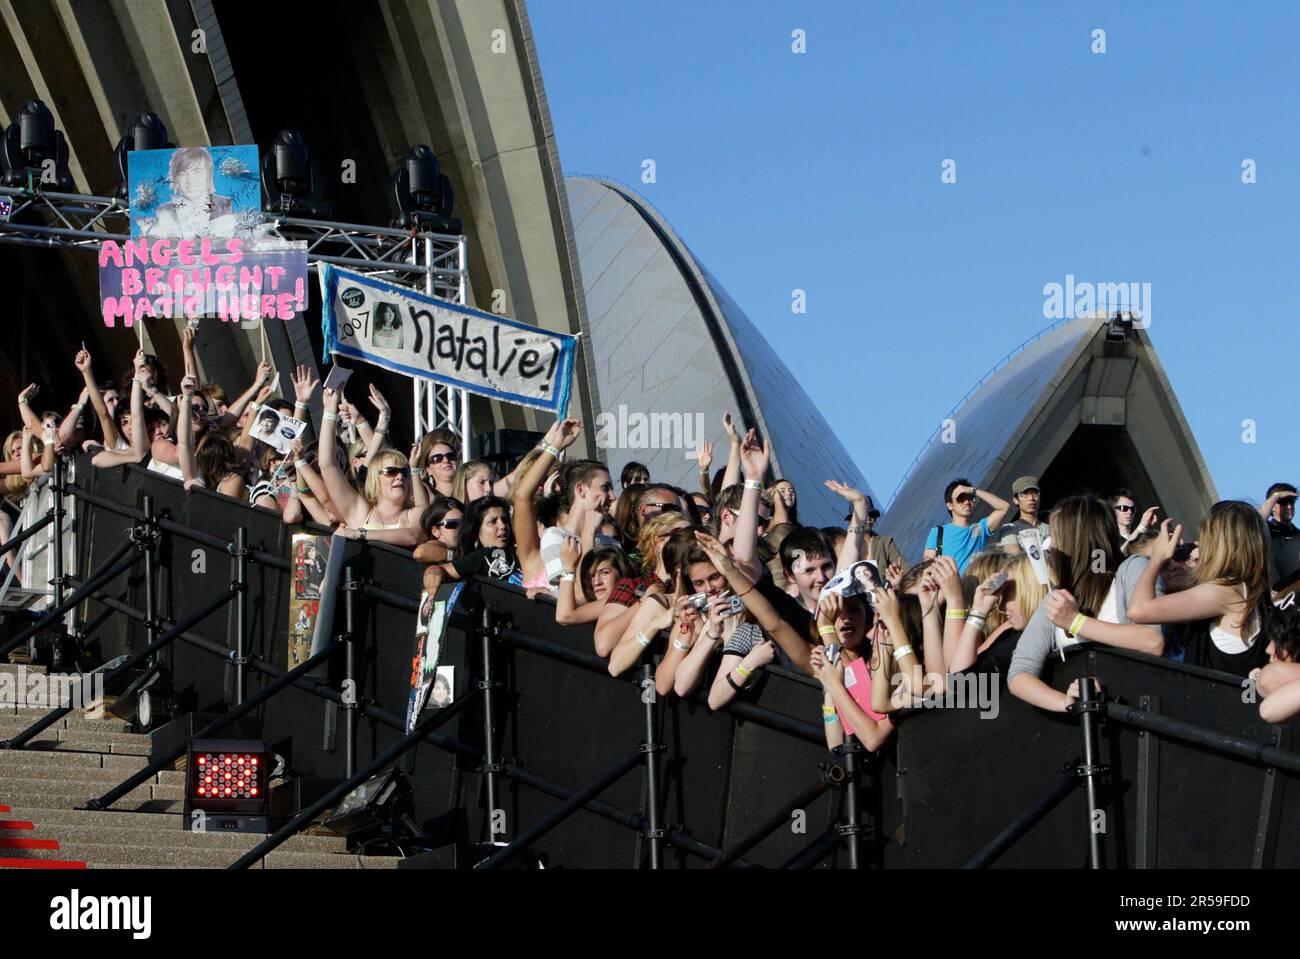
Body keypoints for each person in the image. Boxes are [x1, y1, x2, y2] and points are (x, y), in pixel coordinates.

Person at [1007, 495, 1165, 712]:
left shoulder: (1131, 570)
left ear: (1075, 540)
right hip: (1091, 731)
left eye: (1055, 535)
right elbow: (1019, 674)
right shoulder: (1057, 598)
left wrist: (1076, 622)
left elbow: (1152, 641)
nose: (1050, 546)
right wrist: (1067, 703)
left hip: (1141, 715)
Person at [1127, 503, 1274, 678]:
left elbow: (1139, 610)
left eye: (1205, 535)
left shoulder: (1225, 591)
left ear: (1219, 543)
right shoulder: (1244, 588)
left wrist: (1156, 559)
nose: (1199, 542)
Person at [318, 385, 425, 547]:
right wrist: (329, 411)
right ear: (375, 478)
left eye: (404, 472)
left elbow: (413, 536)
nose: (400, 476)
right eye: (391, 471)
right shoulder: (360, 512)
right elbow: (327, 465)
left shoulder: (416, 513)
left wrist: (359, 533)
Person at [806, 590, 897, 752]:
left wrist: (826, 628)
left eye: (854, 609)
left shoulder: (899, 674)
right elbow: (836, 744)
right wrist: (829, 688)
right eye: (836, 613)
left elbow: (872, 738)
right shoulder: (829, 668)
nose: (846, 617)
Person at [922, 478, 1011, 574]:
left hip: (979, 585)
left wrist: (972, 490)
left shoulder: (980, 528)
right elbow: (927, 565)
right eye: (961, 498)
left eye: (970, 498)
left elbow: (1004, 507)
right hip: (954, 587)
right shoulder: (938, 532)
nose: (967, 502)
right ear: (950, 506)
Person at [146, 147, 238, 239]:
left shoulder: (224, 203)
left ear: (208, 174)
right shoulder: (165, 210)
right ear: (175, 178)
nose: (190, 180)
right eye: (183, 173)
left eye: (197, 171)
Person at [555, 543, 634, 626]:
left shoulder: (623, 597)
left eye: (604, 573)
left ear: (621, 573)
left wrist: (568, 568)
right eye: (591, 576)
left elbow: (564, 616)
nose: (597, 582)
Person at [1259, 482, 1299, 591]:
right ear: (1272, 506)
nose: (1289, 506)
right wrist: (1276, 496)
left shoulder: (1298, 535)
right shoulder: (1264, 530)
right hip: (1276, 596)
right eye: (1283, 502)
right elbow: (1254, 521)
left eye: (1291, 502)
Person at [995, 476, 1051, 553]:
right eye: (1024, 494)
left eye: (1035, 493)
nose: (1031, 498)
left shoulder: (1051, 530)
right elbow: (1015, 558)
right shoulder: (1010, 529)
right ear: (1016, 500)